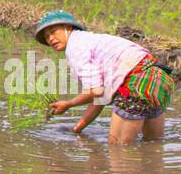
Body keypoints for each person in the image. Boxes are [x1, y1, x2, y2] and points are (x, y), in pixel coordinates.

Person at [35, 10, 173, 144]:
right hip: (157, 79)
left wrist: (69, 104)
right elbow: (100, 99)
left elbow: (96, 91)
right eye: (47, 37)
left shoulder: (74, 47)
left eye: (53, 32)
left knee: (119, 151)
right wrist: (77, 130)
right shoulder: (91, 40)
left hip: (134, 84)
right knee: (153, 146)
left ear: (68, 27)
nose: (51, 38)